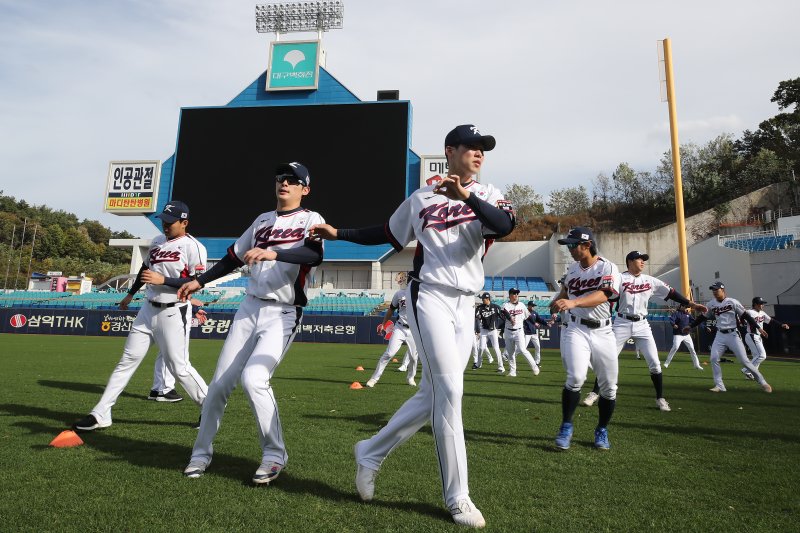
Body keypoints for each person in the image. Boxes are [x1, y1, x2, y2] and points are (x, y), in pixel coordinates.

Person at [309, 124, 515, 528]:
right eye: (471, 147)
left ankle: (370, 451)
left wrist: (467, 196)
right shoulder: (421, 198)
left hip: (468, 302)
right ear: (450, 151)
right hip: (430, 296)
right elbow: (386, 234)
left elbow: (505, 227)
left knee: (433, 393)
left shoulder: (488, 194)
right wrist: (340, 233)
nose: (478, 154)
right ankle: (458, 498)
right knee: (450, 390)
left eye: (483, 149)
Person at [178, 162, 325, 485]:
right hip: (249, 308)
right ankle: (200, 454)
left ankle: (274, 455)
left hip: (283, 313)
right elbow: (233, 256)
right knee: (217, 385)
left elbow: (313, 255)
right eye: (280, 178)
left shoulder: (311, 219)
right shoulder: (261, 220)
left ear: (305, 188)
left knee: (254, 378)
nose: (284, 183)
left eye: (292, 180)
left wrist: (274, 254)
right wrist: (200, 282)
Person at [72, 201, 209, 431]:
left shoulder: (193, 247)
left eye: (170, 222)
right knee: (127, 360)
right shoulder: (157, 242)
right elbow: (144, 273)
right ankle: (101, 413)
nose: (165, 226)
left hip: (174, 310)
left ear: (184, 223)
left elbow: (197, 283)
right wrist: (130, 294)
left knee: (179, 367)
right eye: (163, 221)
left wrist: (163, 281)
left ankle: (209, 407)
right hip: (147, 309)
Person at [582, 251, 707, 412]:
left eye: (643, 260)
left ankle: (660, 398)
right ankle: (594, 393)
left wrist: (692, 304)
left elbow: (671, 293)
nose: (642, 262)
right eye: (639, 259)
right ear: (630, 261)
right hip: (621, 322)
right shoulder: (619, 278)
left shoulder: (649, 280)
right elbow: (604, 293)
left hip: (642, 324)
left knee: (655, 364)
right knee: (608, 360)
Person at [550, 227, 620, 450]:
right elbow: (565, 292)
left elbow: (604, 295)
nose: (569, 249)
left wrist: (573, 302)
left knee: (609, 387)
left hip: (603, 331)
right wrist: (557, 301)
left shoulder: (607, 267)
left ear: (587, 245)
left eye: (573, 244)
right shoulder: (572, 270)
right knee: (576, 378)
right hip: (576, 329)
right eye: (568, 245)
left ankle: (601, 429)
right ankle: (566, 425)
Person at [686, 282, 772, 393]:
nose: (715, 292)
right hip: (720, 334)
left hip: (733, 334)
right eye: (713, 290)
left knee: (745, 361)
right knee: (713, 359)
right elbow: (702, 317)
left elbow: (746, 316)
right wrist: (690, 326)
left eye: (717, 289)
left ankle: (763, 382)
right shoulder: (711, 304)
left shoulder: (733, 302)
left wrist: (758, 328)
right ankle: (719, 385)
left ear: (723, 290)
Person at [147, 298, 208, 402]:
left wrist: (194, 309)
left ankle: (157, 389)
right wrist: (190, 300)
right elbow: (174, 290)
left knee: (164, 351)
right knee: (172, 350)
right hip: (172, 312)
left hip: (167, 310)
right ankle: (166, 390)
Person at [368, 280, 419, 388]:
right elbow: (391, 309)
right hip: (400, 327)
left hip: (414, 330)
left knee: (414, 358)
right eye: (410, 281)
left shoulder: (422, 294)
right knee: (389, 353)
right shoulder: (400, 294)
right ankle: (374, 378)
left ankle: (411, 377)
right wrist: (383, 324)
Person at [740, 296, 790, 379]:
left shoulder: (762, 313)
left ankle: (750, 375)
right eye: (760, 304)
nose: (762, 305)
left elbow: (771, 321)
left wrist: (781, 324)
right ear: (755, 304)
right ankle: (746, 369)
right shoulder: (749, 312)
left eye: (763, 304)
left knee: (756, 356)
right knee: (762, 356)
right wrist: (742, 316)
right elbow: (742, 320)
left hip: (757, 336)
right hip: (752, 335)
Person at [500, 288, 540, 377]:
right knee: (510, 353)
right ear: (510, 295)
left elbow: (528, 316)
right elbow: (504, 312)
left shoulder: (522, 305)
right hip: (508, 331)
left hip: (519, 331)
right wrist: (510, 318)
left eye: (517, 294)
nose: (516, 295)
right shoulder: (505, 305)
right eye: (514, 293)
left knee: (522, 349)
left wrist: (535, 323)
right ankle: (512, 372)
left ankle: (535, 367)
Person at [663, 305, 703, 370]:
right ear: (681, 307)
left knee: (692, 349)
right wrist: (673, 324)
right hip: (678, 334)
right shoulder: (676, 313)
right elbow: (671, 320)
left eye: (687, 307)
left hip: (687, 335)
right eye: (685, 306)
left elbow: (694, 321)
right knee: (675, 347)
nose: (686, 308)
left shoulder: (688, 314)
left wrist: (702, 325)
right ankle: (667, 363)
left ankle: (697, 365)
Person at [474, 292, 503, 372]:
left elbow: (502, 317)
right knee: (481, 348)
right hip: (484, 330)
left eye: (484, 299)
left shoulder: (496, 307)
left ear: (488, 299)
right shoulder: (480, 308)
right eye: (482, 299)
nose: (483, 300)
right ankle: (478, 364)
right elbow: (476, 317)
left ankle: (501, 367)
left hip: (493, 331)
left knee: (496, 348)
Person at [523, 300, 551, 366]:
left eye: (534, 306)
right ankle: (510, 357)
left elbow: (540, 320)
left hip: (534, 333)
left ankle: (537, 362)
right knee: (522, 348)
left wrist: (547, 323)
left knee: (538, 347)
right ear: (528, 306)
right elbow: (529, 319)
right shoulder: (525, 312)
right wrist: (534, 323)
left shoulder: (535, 313)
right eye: (532, 306)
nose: (533, 307)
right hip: (527, 333)